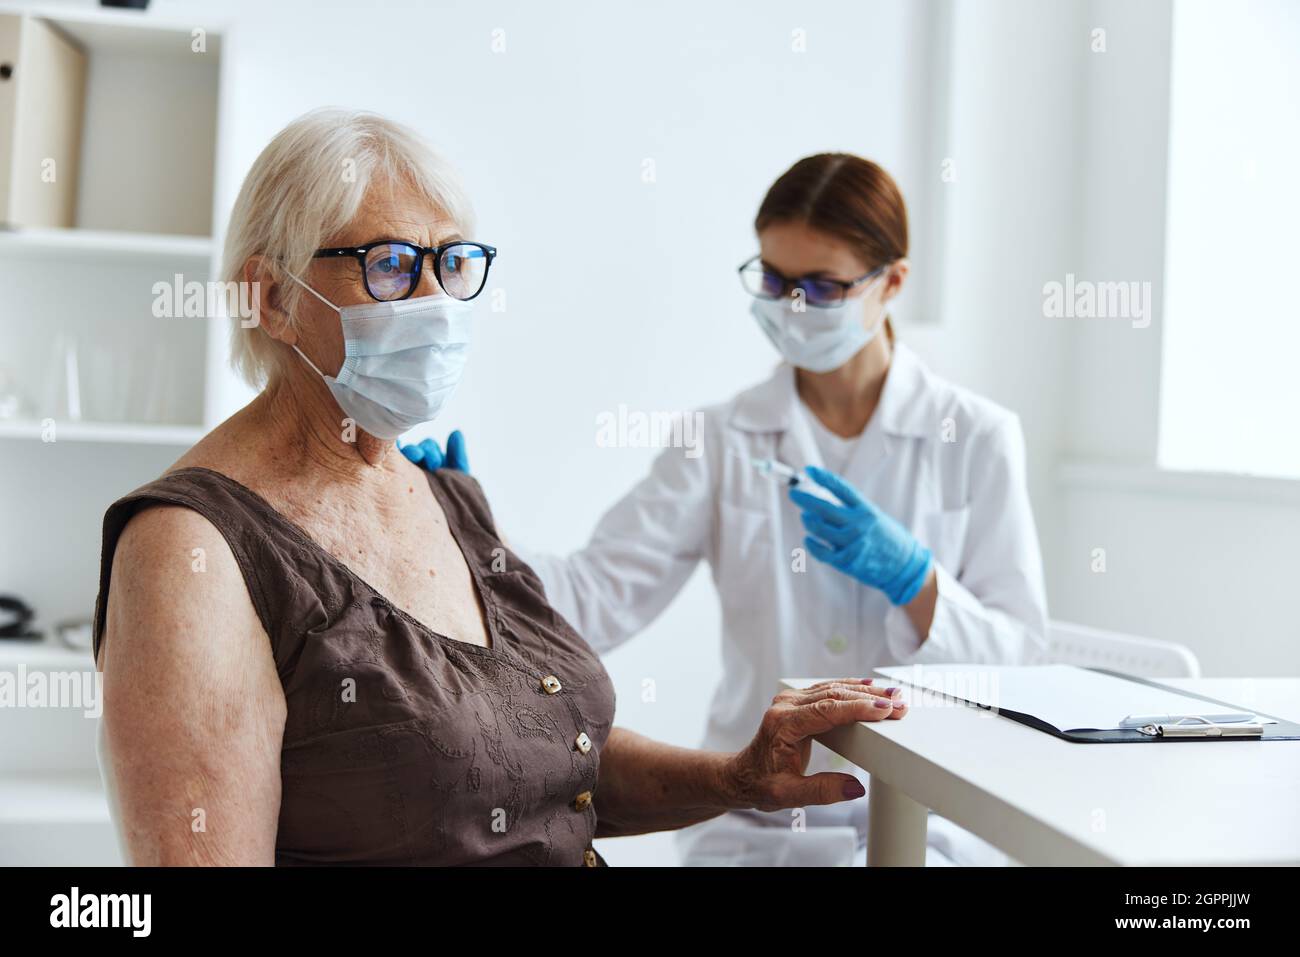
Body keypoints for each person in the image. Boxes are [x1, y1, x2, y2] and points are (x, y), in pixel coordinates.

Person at [91, 112, 907, 867]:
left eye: (450, 263)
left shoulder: (440, 496)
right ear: (271, 298)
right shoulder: (190, 550)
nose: (436, 304)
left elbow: (544, 758)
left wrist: (737, 778)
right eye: (389, 265)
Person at [405, 153, 1047, 866]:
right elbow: (595, 595)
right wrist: (471, 540)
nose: (791, 304)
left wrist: (917, 583)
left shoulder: (977, 437)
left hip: (935, 824)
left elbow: (1019, 662)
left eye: (821, 286)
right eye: (774, 279)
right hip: (757, 830)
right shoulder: (717, 440)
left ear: (892, 282)